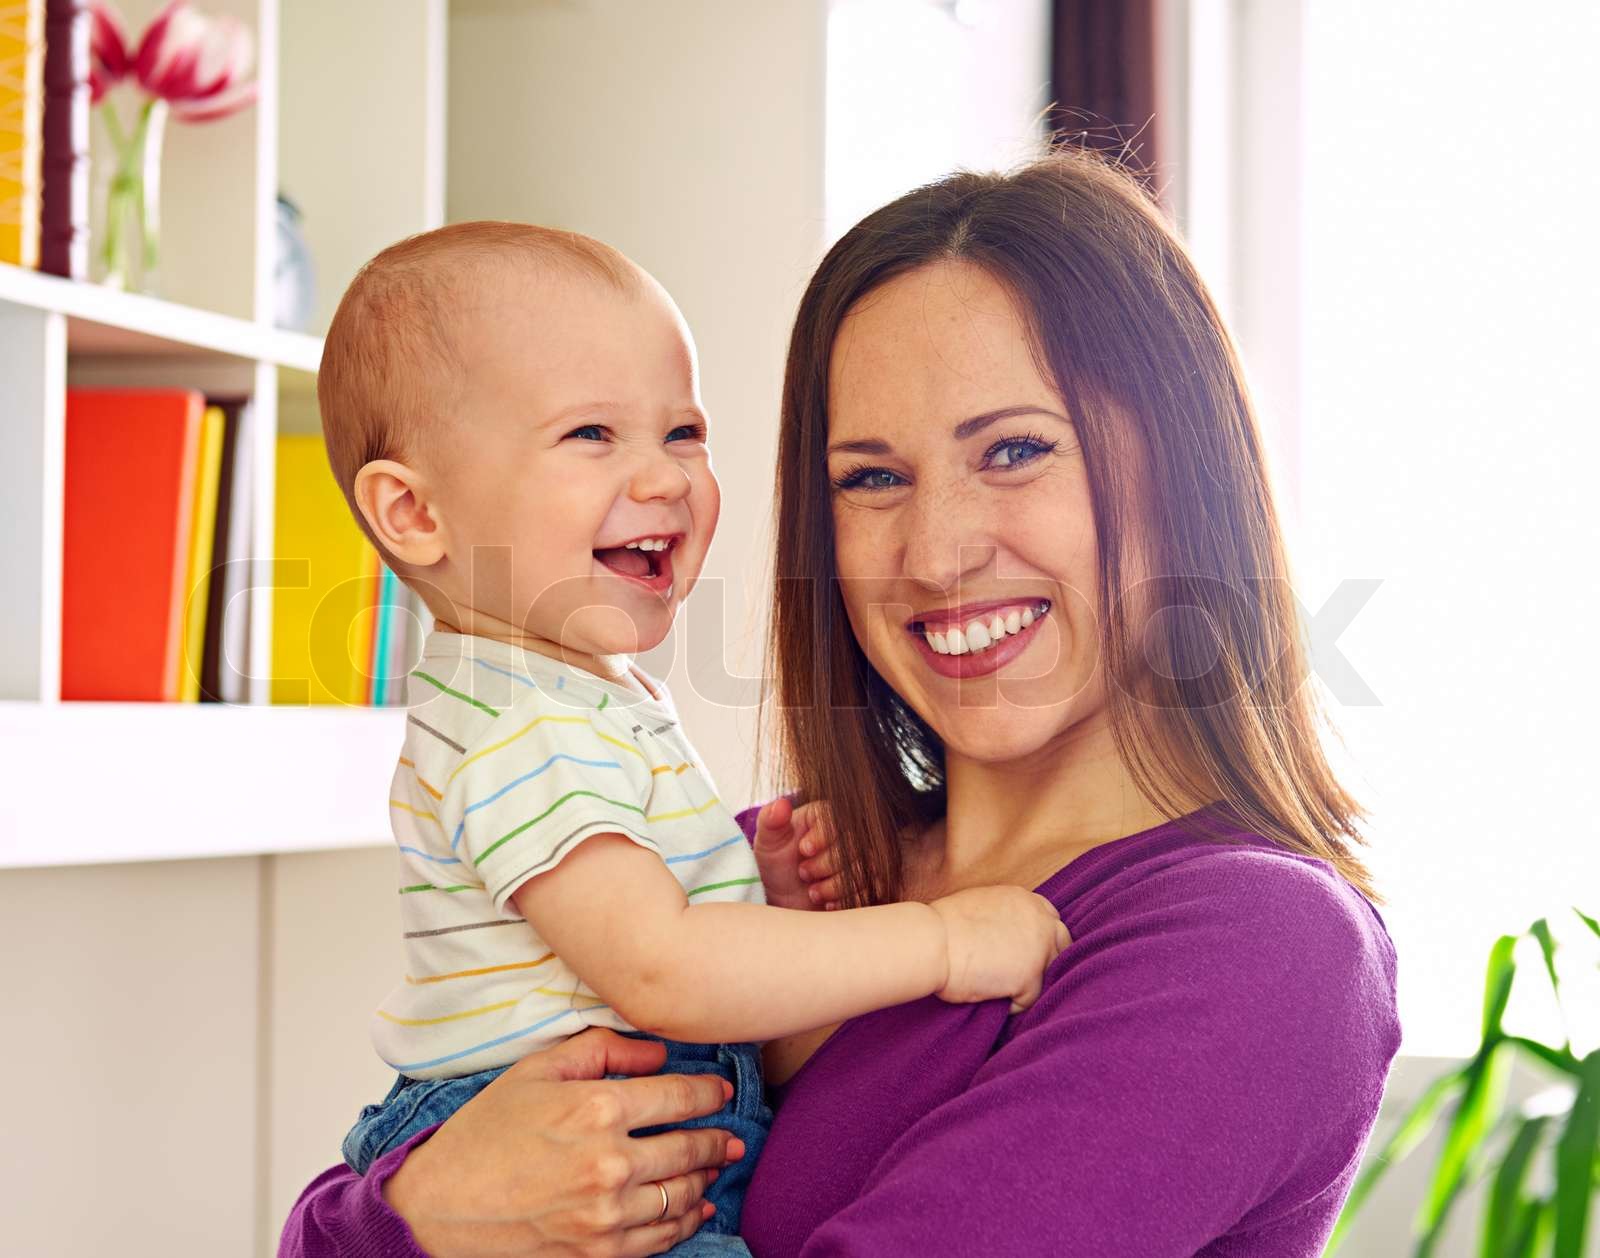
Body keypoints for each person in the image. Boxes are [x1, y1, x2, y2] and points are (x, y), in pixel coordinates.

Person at [281, 150, 1399, 1257]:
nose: (937, 550)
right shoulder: (758, 877)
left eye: (1014, 450)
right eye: (869, 476)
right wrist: (416, 1212)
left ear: (1182, 470)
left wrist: (412, 1224)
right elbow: (337, 1211)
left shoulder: (1260, 945)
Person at [306, 222, 1070, 1256]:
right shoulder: (523, 727)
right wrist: (942, 943)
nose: (665, 479)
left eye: (682, 433)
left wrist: (742, 888)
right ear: (413, 512)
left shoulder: (559, 696)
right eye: (591, 435)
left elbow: (639, 933)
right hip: (577, 1131)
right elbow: (661, 970)